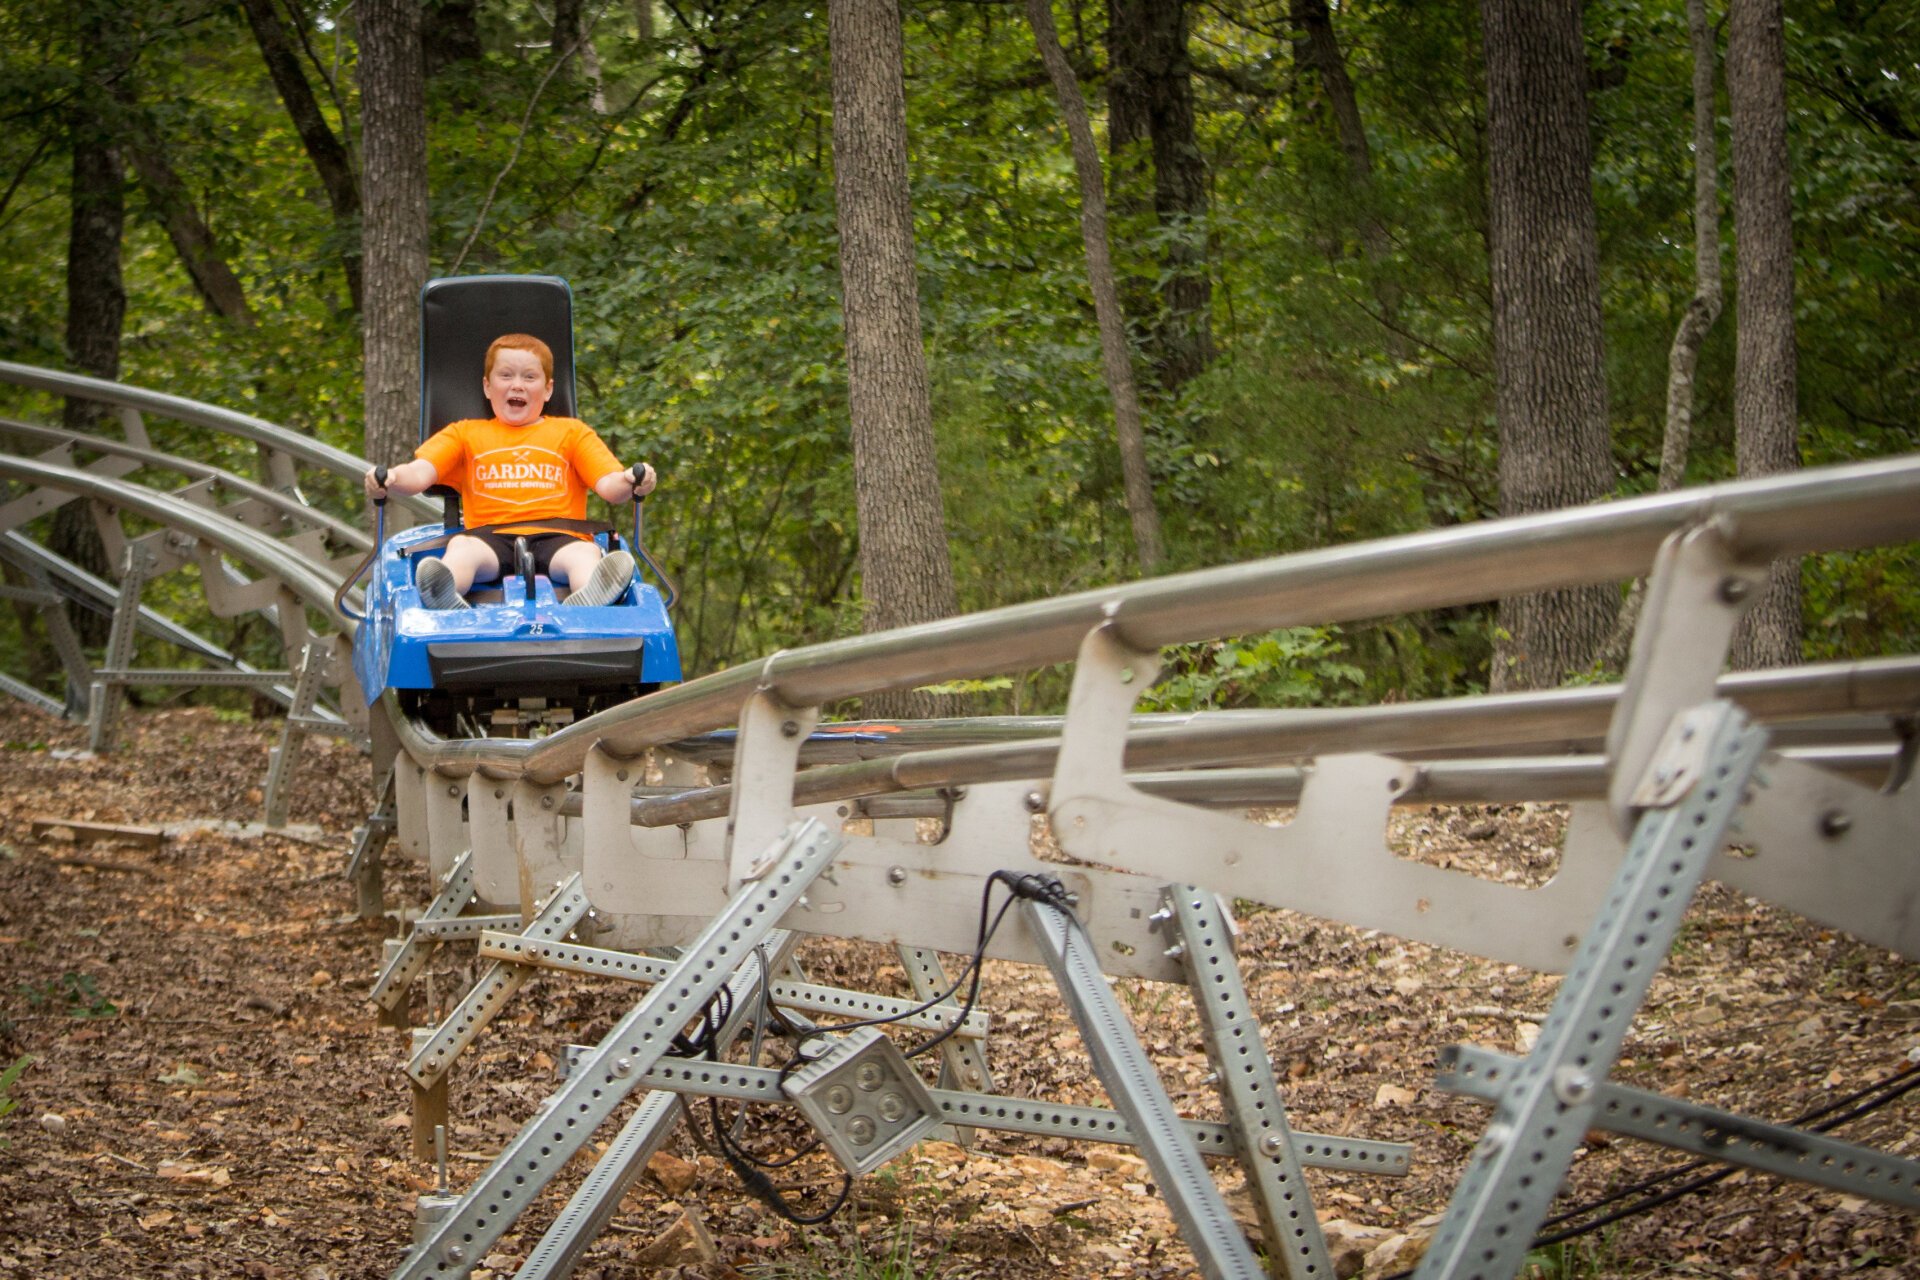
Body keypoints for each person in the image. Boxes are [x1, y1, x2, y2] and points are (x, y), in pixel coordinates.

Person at [364, 333, 656, 609]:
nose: (517, 385)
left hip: (560, 536)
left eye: (529, 377)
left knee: (586, 554)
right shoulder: (464, 434)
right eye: (506, 375)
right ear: (487, 387)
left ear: (548, 389)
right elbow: (419, 473)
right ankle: (444, 593)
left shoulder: (571, 433)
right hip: (490, 537)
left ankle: (591, 599)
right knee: (462, 548)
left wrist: (631, 481)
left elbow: (610, 486)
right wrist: (391, 478)